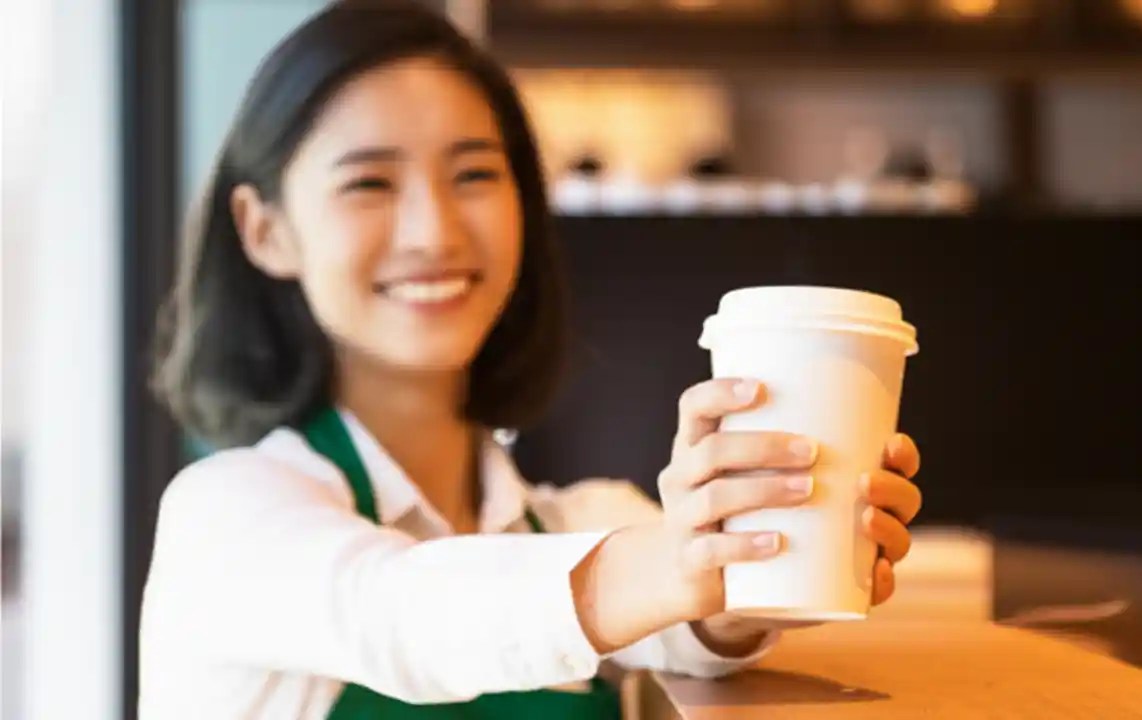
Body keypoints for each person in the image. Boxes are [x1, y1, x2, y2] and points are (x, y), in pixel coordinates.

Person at [139, 2, 924, 718]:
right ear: (264, 229)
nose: (434, 232)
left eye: (475, 174)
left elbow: (695, 635)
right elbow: (403, 617)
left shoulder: (591, 522)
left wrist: (748, 568)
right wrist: (676, 561)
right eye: (370, 182)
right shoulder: (227, 519)